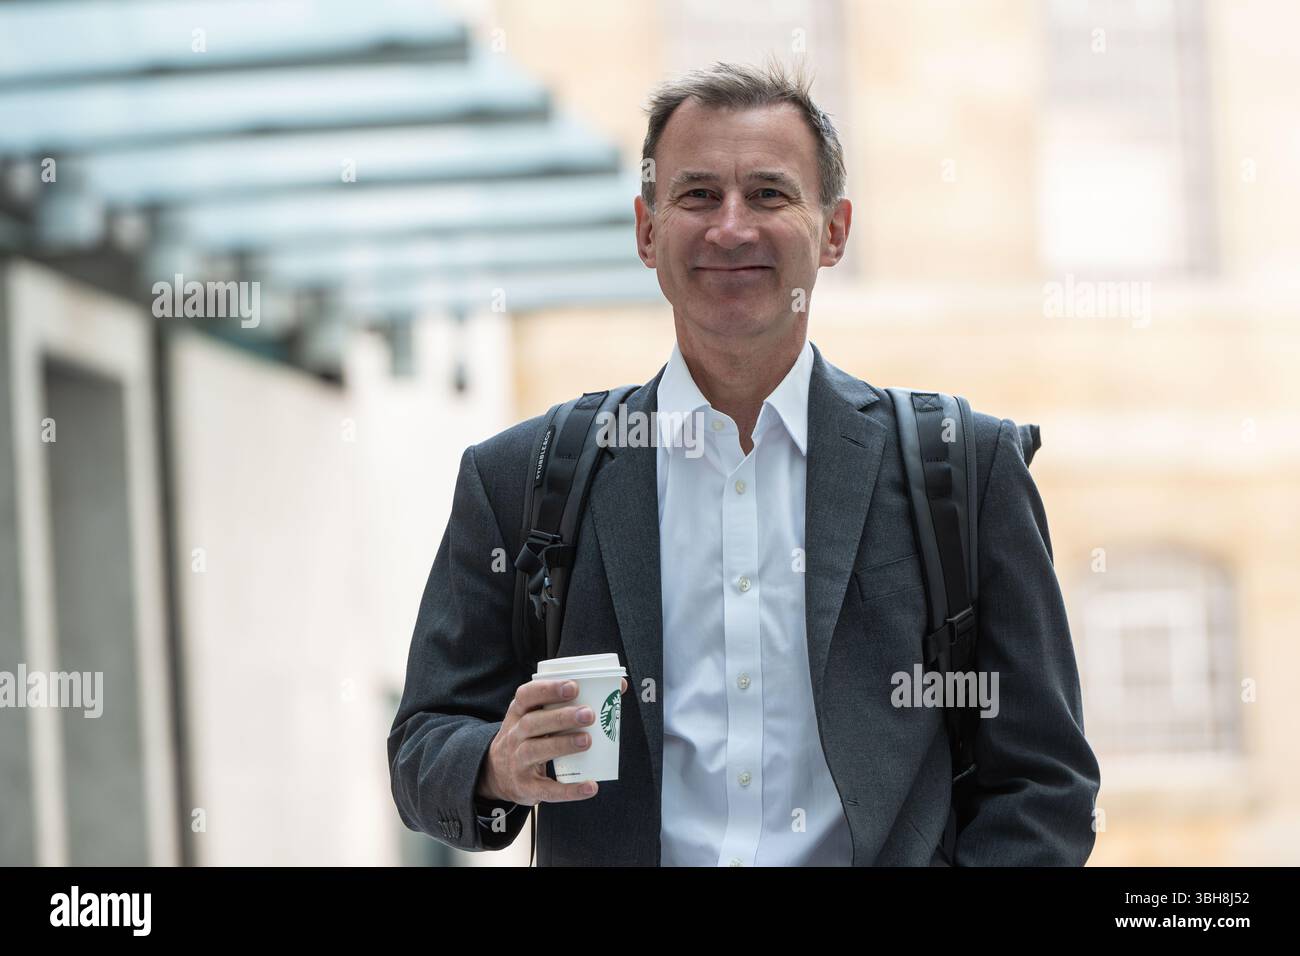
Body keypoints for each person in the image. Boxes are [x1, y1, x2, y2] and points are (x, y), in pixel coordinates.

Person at [388, 60, 1101, 866]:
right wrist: (493, 764)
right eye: (697, 196)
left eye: (768, 194)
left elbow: (1047, 785)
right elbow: (421, 745)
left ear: (833, 230)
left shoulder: (963, 470)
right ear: (646, 230)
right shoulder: (521, 478)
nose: (731, 228)